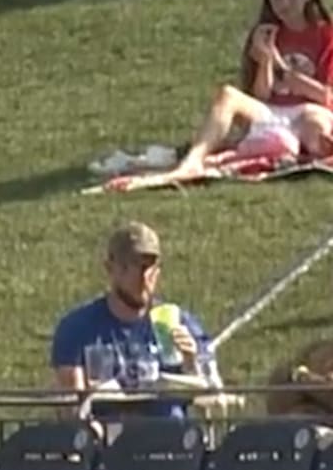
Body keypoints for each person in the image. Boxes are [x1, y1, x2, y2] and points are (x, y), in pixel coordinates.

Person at [51, 222, 219, 420]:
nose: (144, 277)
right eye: (131, 267)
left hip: (171, 441)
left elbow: (216, 398)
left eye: (150, 267)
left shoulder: (180, 322)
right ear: (110, 269)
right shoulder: (78, 328)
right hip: (108, 442)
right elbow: (71, 410)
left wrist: (191, 363)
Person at [110, 84, 333, 189]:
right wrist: (265, 57)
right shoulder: (269, 32)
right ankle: (192, 161)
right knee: (228, 94)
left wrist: (299, 81)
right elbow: (260, 92)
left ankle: (187, 166)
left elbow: (326, 95)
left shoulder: (324, 37)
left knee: (285, 143)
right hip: (276, 113)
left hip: (294, 133)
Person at [239, 0, 333, 107]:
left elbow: (325, 96)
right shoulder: (264, 34)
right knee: (226, 96)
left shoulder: (326, 35)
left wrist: (280, 67)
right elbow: (260, 97)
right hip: (273, 113)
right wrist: (265, 61)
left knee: (313, 123)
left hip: (312, 112)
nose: (284, 4)